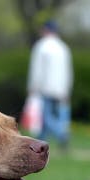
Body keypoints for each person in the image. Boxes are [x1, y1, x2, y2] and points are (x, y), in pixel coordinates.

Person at [27, 20, 72, 150]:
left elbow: (37, 69)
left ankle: (62, 134)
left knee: (45, 117)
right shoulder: (63, 47)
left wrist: (33, 86)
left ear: (45, 30)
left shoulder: (41, 46)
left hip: (45, 87)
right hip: (61, 89)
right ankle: (40, 144)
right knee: (48, 117)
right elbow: (68, 71)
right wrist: (67, 89)